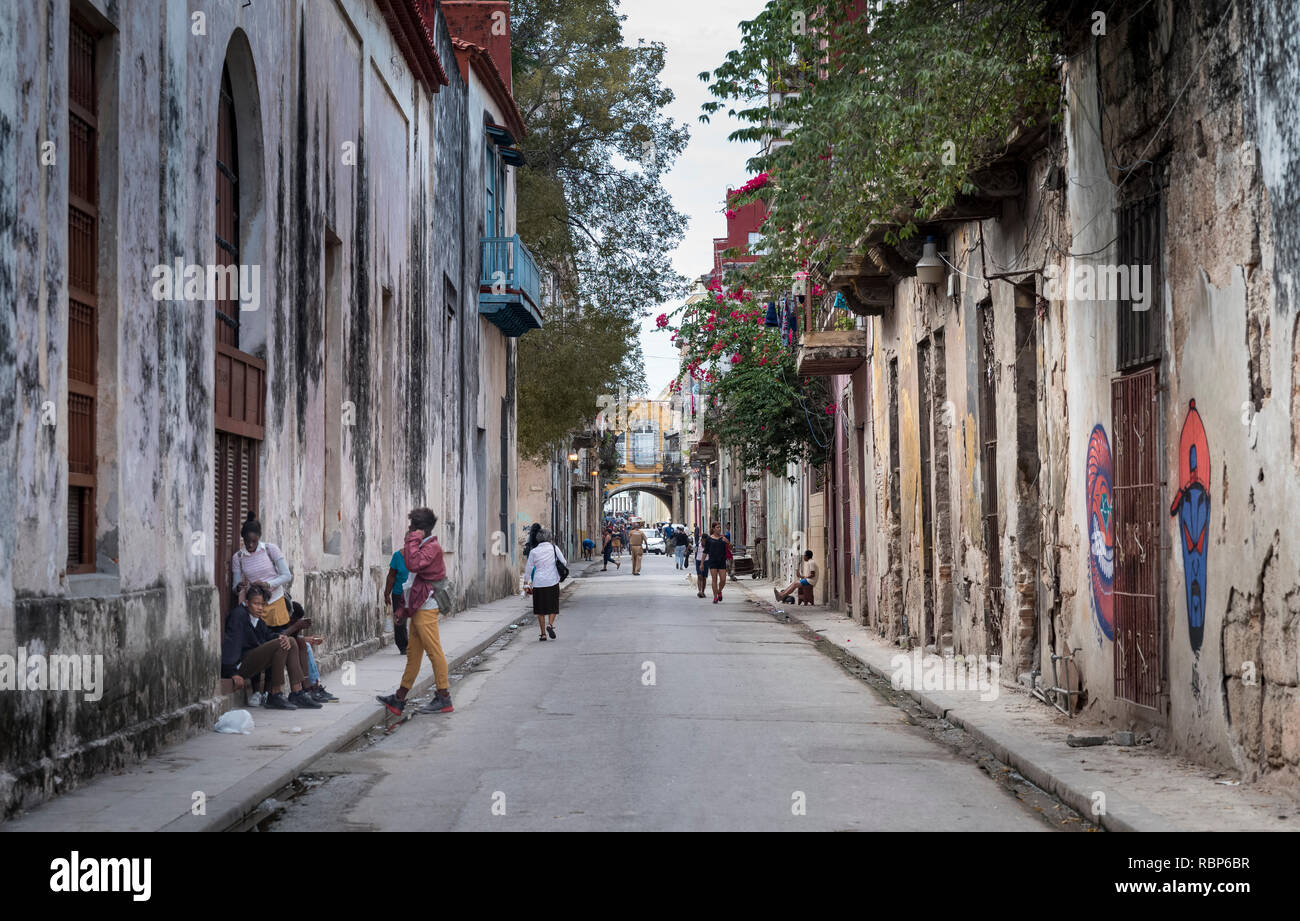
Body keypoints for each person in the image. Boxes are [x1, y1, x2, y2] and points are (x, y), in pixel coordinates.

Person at [376, 508, 453, 716]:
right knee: (413, 655)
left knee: (434, 652)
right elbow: (413, 584)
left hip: (427, 609)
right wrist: (404, 609)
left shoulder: (432, 547)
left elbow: (412, 563)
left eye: (411, 527)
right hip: (419, 606)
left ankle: (444, 696)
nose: (409, 530)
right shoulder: (423, 545)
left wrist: (411, 539)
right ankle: (399, 698)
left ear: (420, 529)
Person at [221, 583, 321, 710]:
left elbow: (268, 636)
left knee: (289, 641)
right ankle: (275, 694)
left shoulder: (258, 621)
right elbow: (232, 643)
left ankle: (297, 692)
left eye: (262, 604)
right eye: (256, 604)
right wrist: (232, 672)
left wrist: (280, 637)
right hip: (240, 666)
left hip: (253, 662)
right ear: (247, 603)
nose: (260, 608)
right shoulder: (239, 615)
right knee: (283, 643)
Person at [231, 513, 292, 629]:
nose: (250, 544)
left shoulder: (270, 549)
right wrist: (238, 587)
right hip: (256, 607)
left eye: (254, 541)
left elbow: (287, 575)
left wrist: (267, 584)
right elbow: (235, 588)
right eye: (247, 541)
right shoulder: (238, 557)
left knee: (280, 640)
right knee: (261, 642)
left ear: (259, 537)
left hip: (276, 602)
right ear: (242, 538)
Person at [524, 527, 567, 641]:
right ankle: (550, 625)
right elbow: (563, 561)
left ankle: (543, 634)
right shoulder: (554, 548)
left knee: (540, 609)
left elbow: (529, 568)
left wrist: (526, 582)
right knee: (553, 606)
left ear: (538, 539)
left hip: (538, 583)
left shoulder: (534, 551)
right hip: (552, 581)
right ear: (549, 537)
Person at [383, 543, 412, 655]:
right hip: (399, 593)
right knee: (400, 622)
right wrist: (387, 593)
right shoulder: (397, 556)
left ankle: (415, 644)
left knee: (418, 621)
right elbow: (391, 575)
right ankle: (403, 646)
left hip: (415, 594)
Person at [704, 522, 732, 603]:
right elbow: (705, 552)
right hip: (712, 561)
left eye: (720, 527)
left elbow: (731, 548)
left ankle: (719, 591)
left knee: (723, 580)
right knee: (714, 580)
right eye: (717, 527)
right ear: (713, 529)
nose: (719, 529)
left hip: (722, 561)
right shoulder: (709, 539)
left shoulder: (723, 538)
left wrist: (727, 542)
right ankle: (715, 597)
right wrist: (702, 563)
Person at [693, 531, 708, 598]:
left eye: (705, 541)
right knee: (699, 576)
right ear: (701, 540)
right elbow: (693, 549)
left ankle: (703, 591)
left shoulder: (709, 546)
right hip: (698, 561)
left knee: (704, 577)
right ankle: (699, 591)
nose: (704, 542)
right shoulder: (697, 545)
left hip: (706, 562)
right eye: (703, 540)